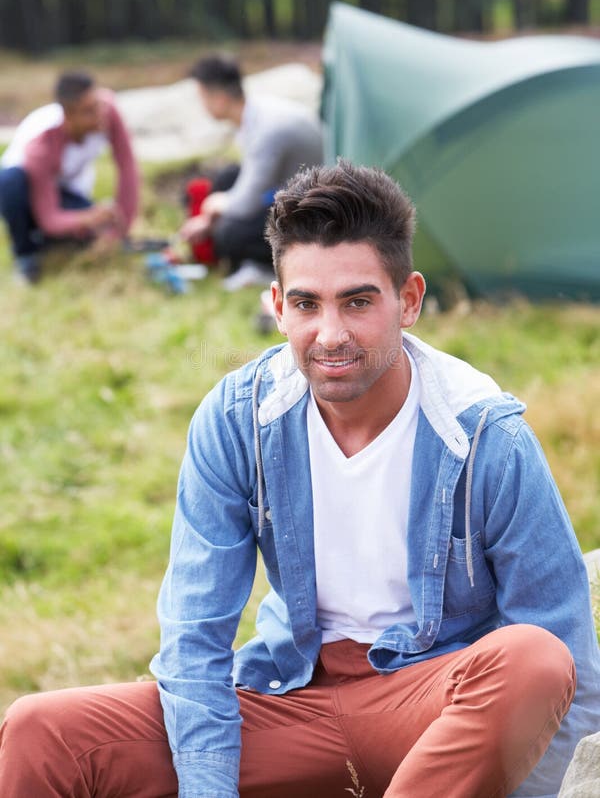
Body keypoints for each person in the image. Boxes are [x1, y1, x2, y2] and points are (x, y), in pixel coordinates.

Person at [1, 160, 599, 798]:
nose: (331, 334)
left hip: (432, 713)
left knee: (534, 660)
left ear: (410, 301)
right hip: (289, 699)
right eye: (308, 304)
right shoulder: (239, 422)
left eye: (359, 301)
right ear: (278, 307)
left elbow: (571, 669)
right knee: (42, 730)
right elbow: (195, 631)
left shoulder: (486, 438)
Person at [179, 54, 323, 290]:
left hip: (311, 212)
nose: (202, 106)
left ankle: (267, 268)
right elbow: (255, 182)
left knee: (229, 234)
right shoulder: (255, 114)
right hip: (286, 189)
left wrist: (214, 208)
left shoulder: (269, 128)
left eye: (202, 98)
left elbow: (246, 202)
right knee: (226, 178)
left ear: (220, 98)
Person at [0, 70, 139, 282]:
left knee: (93, 231)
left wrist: (119, 232)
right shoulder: (42, 145)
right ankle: (25, 256)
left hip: (65, 191)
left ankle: (50, 243)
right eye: (89, 111)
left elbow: (127, 166)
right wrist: (87, 218)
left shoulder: (108, 109)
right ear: (68, 116)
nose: (99, 115)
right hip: (25, 191)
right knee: (10, 183)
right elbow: (48, 218)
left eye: (98, 105)